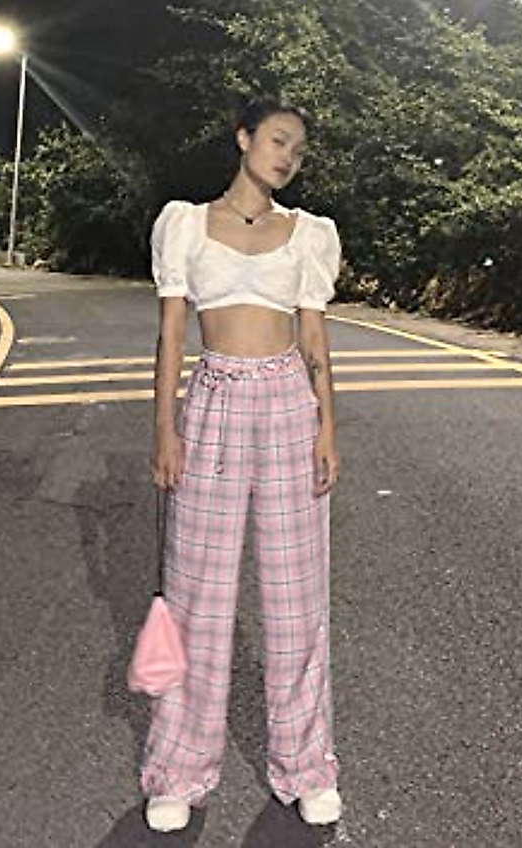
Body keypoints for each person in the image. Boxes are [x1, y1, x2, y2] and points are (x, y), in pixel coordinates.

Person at [139, 98, 344, 834]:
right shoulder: (186, 225)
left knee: (296, 604)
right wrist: (165, 428)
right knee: (196, 600)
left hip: (289, 406)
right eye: (278, 140)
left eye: (299, 148)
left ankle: (305, 767)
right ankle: (179, 773)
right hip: (214, 402)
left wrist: (327, 426)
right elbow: (171, 337)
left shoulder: (309, 234)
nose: (288, 156)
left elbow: (313, 339)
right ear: (244, 139)